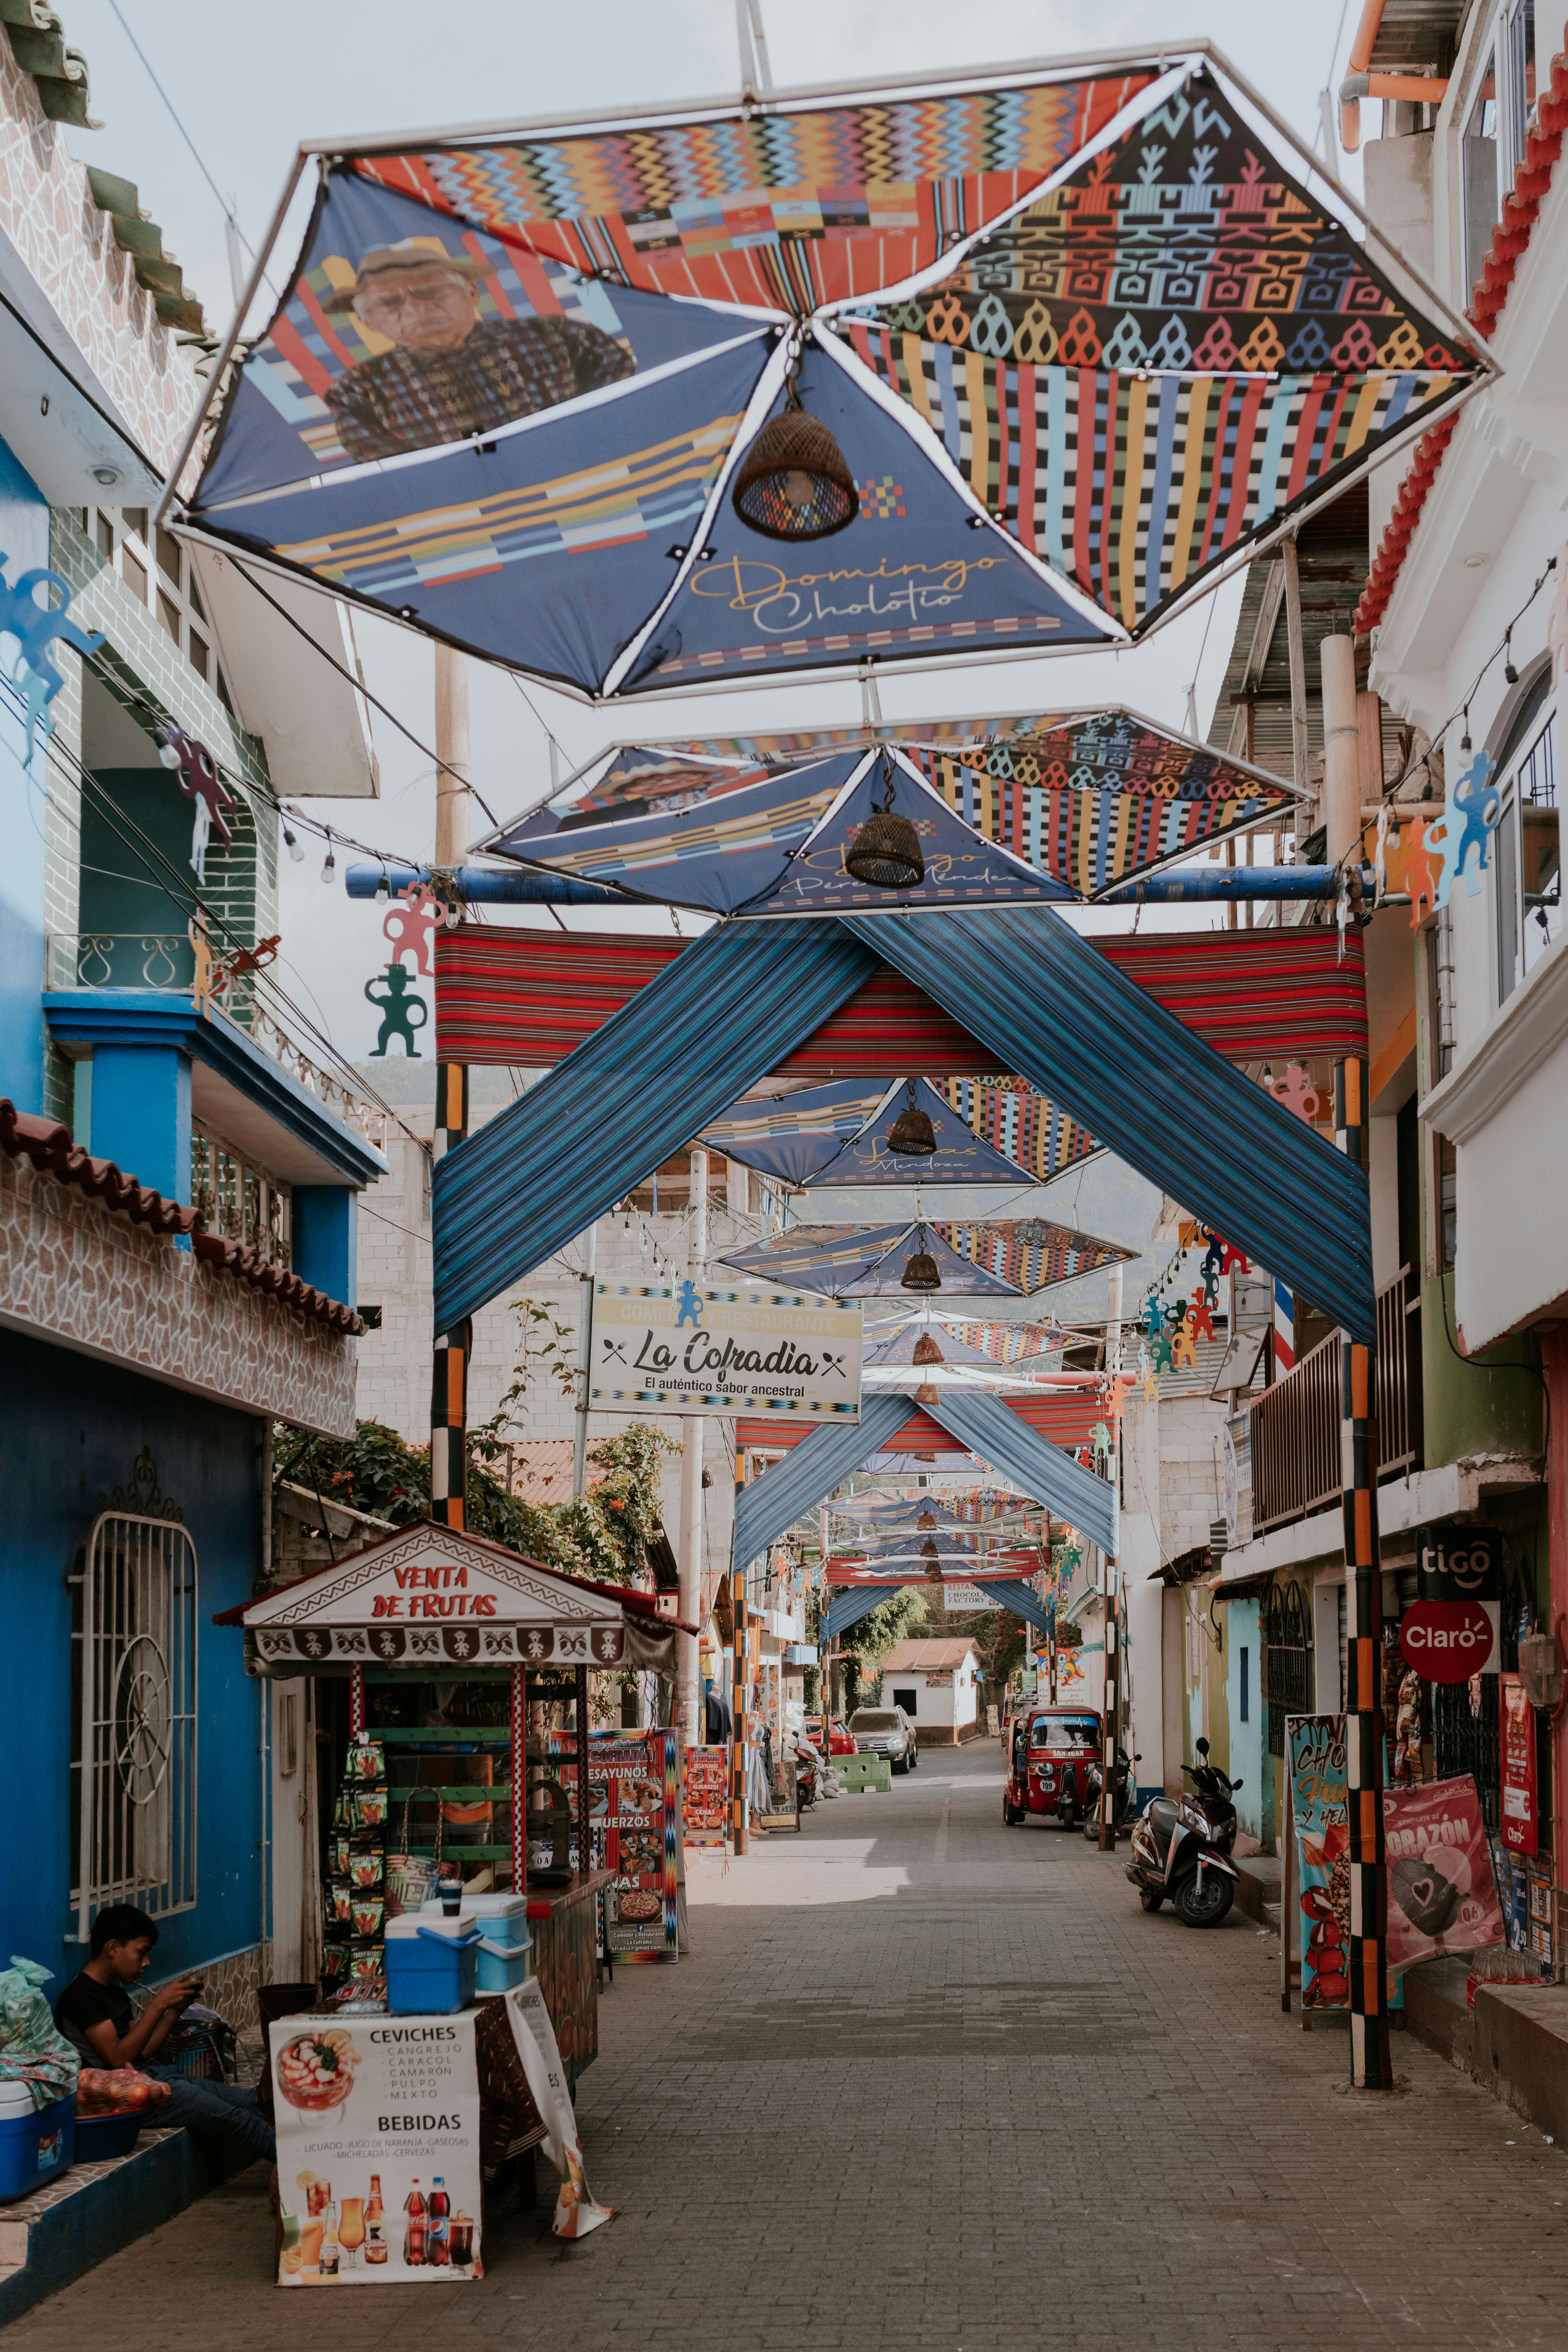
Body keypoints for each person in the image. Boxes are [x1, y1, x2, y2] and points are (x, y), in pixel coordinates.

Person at [322, 236, 634, 463]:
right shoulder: (357, 390)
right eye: (389, 302)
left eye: (431, 290)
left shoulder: (558, 334)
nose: (415, 308)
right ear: (367, 322)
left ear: (472, 293)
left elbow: (627, 403)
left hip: (594, 470)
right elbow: (397, 473)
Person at [54, 1904, 275, 2165]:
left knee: (255, 2102)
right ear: (113, 1948)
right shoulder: (81, 1996)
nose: (146, 1963)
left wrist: (173, 2011)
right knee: (240, 2121)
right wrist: (158, 2004)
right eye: (142, 1953)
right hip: (124, 2095)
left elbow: (143, 2052)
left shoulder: (113, 1991)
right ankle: (303, 2171)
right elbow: (117, 2059)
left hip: (155, 2078)